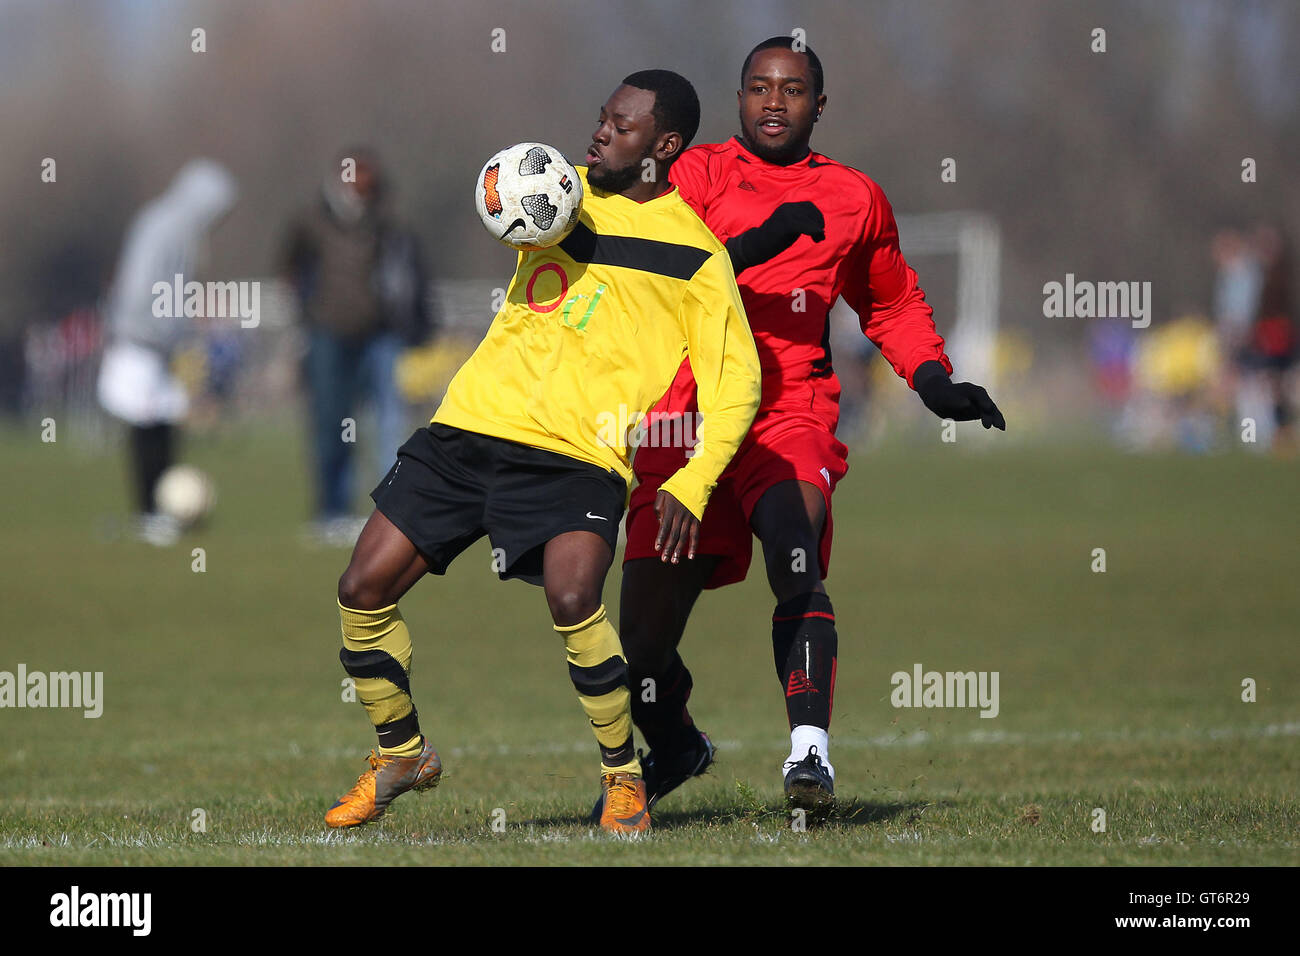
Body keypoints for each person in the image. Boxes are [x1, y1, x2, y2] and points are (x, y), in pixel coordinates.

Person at [324, 70, 762, 836]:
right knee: (361, 588)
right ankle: (400, 752)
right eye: (600, 117)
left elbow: (738, 385)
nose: (600, 133)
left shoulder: (697, 257)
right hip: (467, 429)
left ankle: (625, 780)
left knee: (572, 599)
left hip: (575, 454)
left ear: (664, 146)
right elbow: (509, 195)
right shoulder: (557, 194)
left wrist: (693, 481)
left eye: (621, 127)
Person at [603, 37, 1006, 817]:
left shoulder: (854, 198)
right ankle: (679, 744)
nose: (774, 102)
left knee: (796, 555)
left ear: (819, 105)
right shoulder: (693, 176)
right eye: (758, 87)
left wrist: (932, 379)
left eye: (791, 89)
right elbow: (659, 267)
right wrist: (762, 239)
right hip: (680, 421)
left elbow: (889, 301)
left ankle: (808, 758)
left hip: (787, 411)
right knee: (641, 648)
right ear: (739, 100)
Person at [281, 149, 435, 545]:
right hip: (328, 335)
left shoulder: (386, 224)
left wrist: (416, 322)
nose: (362, 187)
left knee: (389, 425)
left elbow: (408, 275)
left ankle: (391, 512)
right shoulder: (310, 221)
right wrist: (305, 314)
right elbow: (289, 268)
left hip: (380, 336)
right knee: (333, 423)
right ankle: (333, 510)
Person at [97, 159, 238, 546]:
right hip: (140, 339)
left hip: (158, 343)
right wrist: (147, 329)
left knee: (163, 419)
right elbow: (141, 284)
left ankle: (159, 509)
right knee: (146, 423)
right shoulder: (162, 224)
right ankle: (148, 512)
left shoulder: (182, 229)